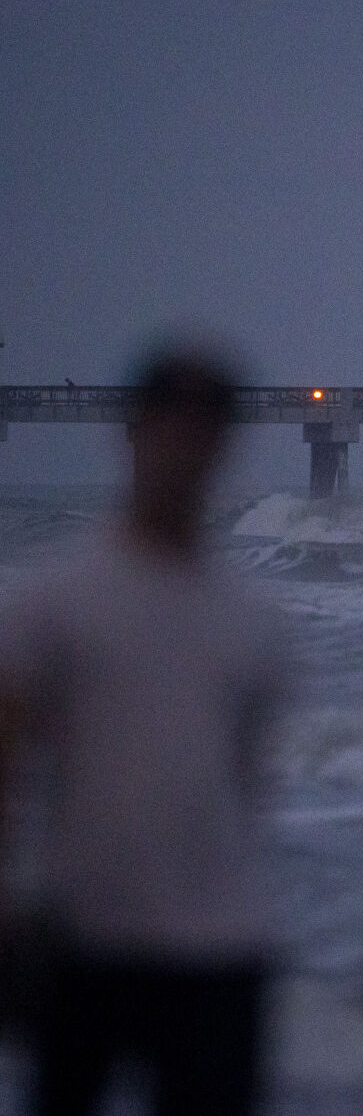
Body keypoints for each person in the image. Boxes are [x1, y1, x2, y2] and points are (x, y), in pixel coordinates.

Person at [0, 339, 289, 1115]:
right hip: (87, 939)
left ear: (226, 444)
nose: (187, 446)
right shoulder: (56, 598)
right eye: (171, 422)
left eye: (207, 427)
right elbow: (8, 760)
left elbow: (241, 786)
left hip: (224, 945)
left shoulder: (252, 622)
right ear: (131, 430)